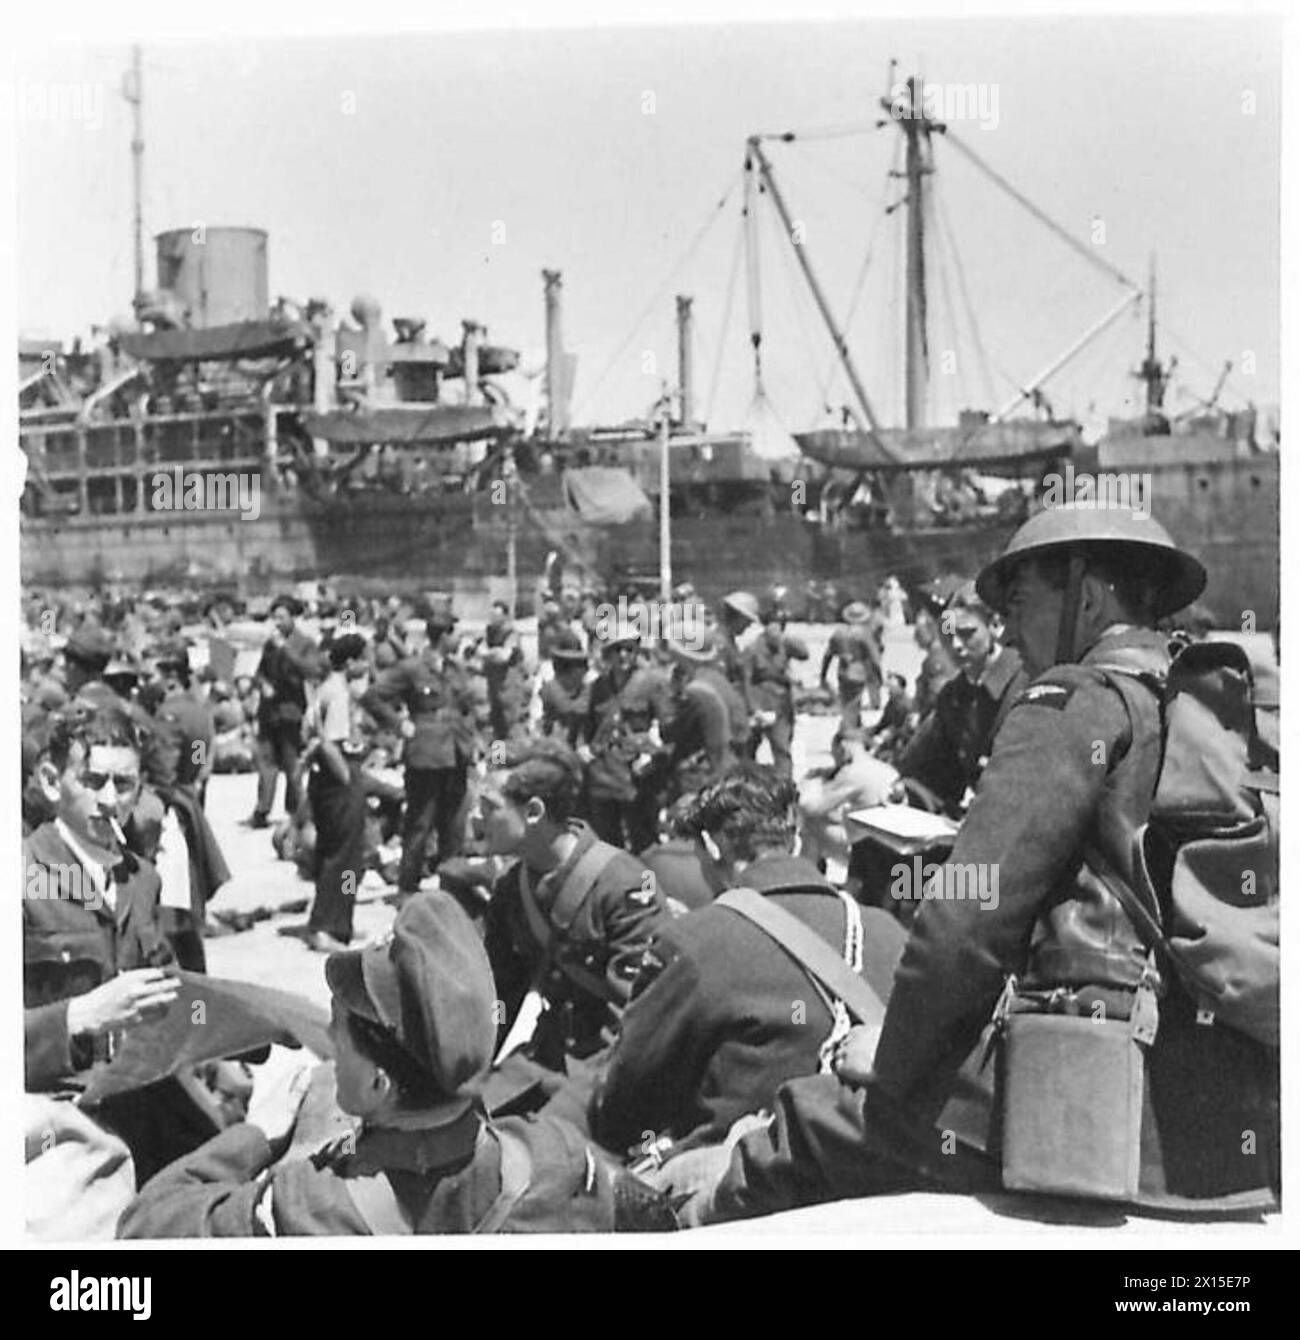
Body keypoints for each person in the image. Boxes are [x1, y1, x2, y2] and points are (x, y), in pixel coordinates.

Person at [696, 503, 1279, 1223]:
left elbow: (963, 928)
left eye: (1021, 603)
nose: (1008, 629)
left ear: (1088, 598)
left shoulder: (1071, 701)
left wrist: (896, 1055)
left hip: (1088, 1108)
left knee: (793, 1131)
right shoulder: (1208, 712)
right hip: (1225, 1128)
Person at [118, 892, 677, 1235]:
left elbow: (146, 1227)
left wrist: (259, 1131)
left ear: (380, 1082)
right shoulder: (558, 1159)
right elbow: (655, 1219)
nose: (330, 1039)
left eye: (339, 1031)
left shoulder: (308, 1207)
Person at [591, 765, 906, 1161]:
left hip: (742, 1191)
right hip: (871, 1168)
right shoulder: (887, 931)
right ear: (794, 841)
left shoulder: (693, 941)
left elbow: (621, 1110)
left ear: (712, 845)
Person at [475, 741, 670, 1096]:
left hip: (610, 1073)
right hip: (548, 1057)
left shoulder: (624, 887)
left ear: (533, 811)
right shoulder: (511, 887)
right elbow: (499, 993)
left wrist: (586, 1093)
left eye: (489, 808)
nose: (476, 818)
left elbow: (643, 1013)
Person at [363, 609, 481, 899]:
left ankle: (451, 889)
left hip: (455, 753)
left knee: (453, 824)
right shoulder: (412, 668)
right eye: (455, 634)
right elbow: (372, 696)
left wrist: (474, 745)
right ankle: (407, 887)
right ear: (442, 636)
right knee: (420, 823)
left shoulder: (456, 669)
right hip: (425, 755)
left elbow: (468, 706)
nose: (458, 640)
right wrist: (399, 723)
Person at [895, 582, 1028, 816]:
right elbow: (939, 773)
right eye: (947, 634)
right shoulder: (953, 697)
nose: (956, 645)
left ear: (994, 626)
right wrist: (908, 793)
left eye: (967, 634)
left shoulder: (1027, 682)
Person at [304, 634, 372, 952]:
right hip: (338, 781)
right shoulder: (338, 694)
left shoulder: (324, 689)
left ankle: (340, 920)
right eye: (363, 658)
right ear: (351, 661)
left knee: (335, 852)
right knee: (344, 856)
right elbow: (331, 742)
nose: (367, 664)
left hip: (322, 781)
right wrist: (347, 778)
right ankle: (326, 926)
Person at [583, 626, 670, 854]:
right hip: (603, 775)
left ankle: (648, 885)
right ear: (607, 654)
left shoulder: (651, 683)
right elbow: (589, 728)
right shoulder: (597, 687)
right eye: (616, 650)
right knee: (608, 843)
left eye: (629, 649)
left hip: (635, 775)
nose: (623, 655)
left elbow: (668, 727)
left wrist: (654, 755)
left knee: (643, 840)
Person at [249, 596, 317, 829]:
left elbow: (309, 670)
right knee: (266, 762)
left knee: (292, 765)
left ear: (292, 618)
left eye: (281, 617)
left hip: (291, 710)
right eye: (274, 617)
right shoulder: (270, 644)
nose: (276, 622)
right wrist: (262, 684)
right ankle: (262, 808)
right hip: (269, 711)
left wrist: (286, 650)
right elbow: (259, 672)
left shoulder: (305, 643)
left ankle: (294, 811)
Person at [798, 727, 900, 881]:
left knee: (811, 822)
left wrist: (814, 780)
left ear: (843, 747)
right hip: (892, 842)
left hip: (865, 847)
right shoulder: (887, 769)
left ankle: (807, 876)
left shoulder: (852, 773)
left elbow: (811, 807)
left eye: (834, 753)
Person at [660, 629, 750, 802]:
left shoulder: (696, 690)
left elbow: (674, 733)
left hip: (703, 772)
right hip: (729, 763)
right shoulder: (718, 680)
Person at [743, 603, 809, 776]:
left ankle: (785, 787)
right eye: (772, 624)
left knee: (782, 749)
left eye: (780, 625)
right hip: (760, 704)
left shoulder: (784, 645)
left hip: (782, 705)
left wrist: (788, 640)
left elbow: (804, 654)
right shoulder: (753, 648)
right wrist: (753, 708)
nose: (775, 629)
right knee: (748, 749)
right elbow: (746, 681)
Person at [821, 601, 884, 725]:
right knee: (854, 704)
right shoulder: (864, 634)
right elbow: (874, 658)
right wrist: (879, 676)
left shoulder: (838, 633)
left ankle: (854, 724)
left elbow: (828, 655)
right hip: (859, 672)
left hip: (843, 671)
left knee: (846, 702)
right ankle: (850, 727)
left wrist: (823, 675)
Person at [481, 600, 527, 743]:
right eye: (492, 615)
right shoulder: (488, 631)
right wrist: (491, 652)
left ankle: (513, 758)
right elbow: (478, 650)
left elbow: (503, 657)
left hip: (509, 685)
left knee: (511, 724)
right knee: (496, 727)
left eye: (497, 616)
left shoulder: (512, 633)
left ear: (505, 617)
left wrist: (488, 653)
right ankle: (498, 761)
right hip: (494, 686)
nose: (493, 619)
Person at [538, 631, 590, 747]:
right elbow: (566, 708)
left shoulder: (586, 689)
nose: (585, 670)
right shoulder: (550, 688)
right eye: (580, 665)